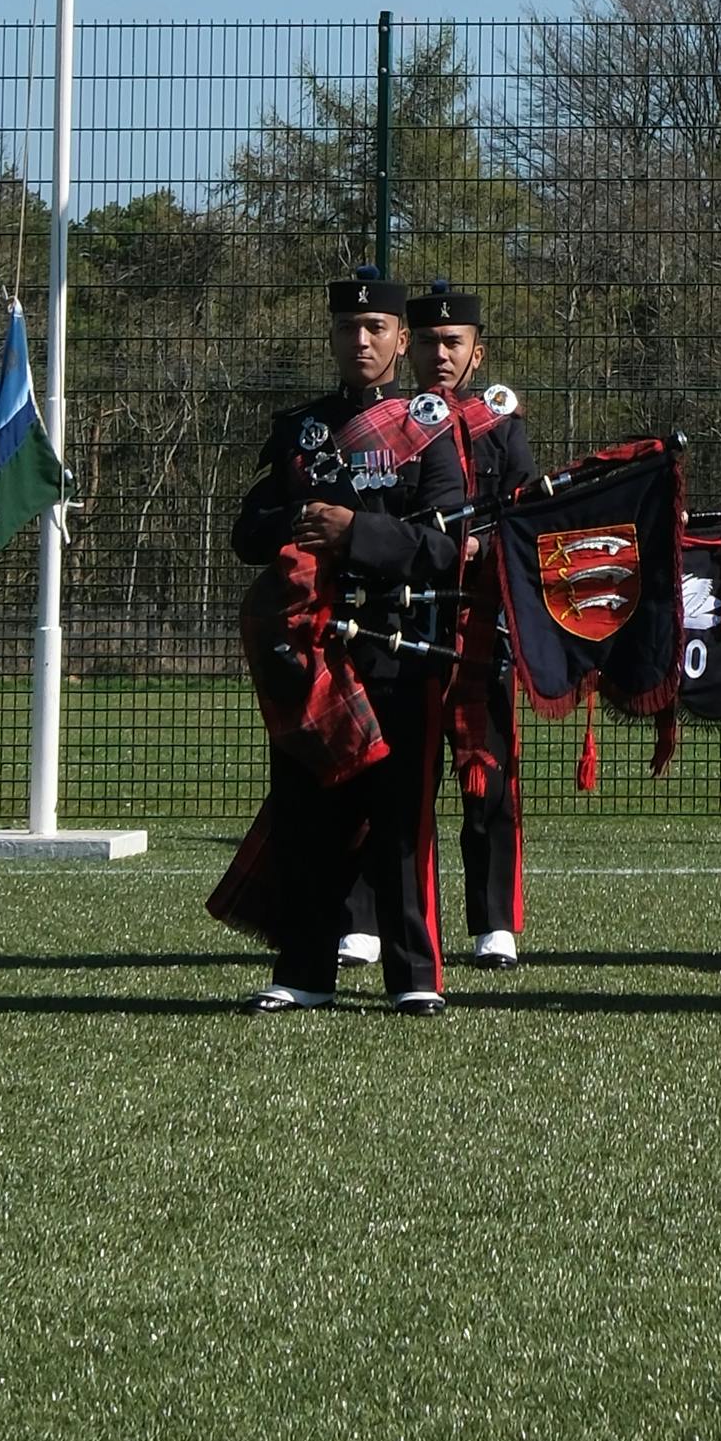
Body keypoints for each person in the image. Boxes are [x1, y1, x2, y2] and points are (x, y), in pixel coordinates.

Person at [229, 268, 469, 1014]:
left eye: (375, 328)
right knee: (306, 812)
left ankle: (414, 975)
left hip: (400, 646)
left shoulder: (431, 427)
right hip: (313, 653)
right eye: (346, 328)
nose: (359, 340)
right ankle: (304, 969)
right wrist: (302, 523)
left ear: (401, 338)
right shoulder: (301, 428)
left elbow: (450, 543)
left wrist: (356, 531)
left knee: (401, 817)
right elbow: (248, 531)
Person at [337, 283, 536, 972]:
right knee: (386, 773)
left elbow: (523, 519)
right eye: (426, 340)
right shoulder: (386, 423)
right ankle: (363, 917)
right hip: (398, 615)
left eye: (453, 342)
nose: (438, 353)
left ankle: (494, 921)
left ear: (477, 353)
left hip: (482, 619)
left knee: (489, 769)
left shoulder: (501, 426)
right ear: (407, 346)